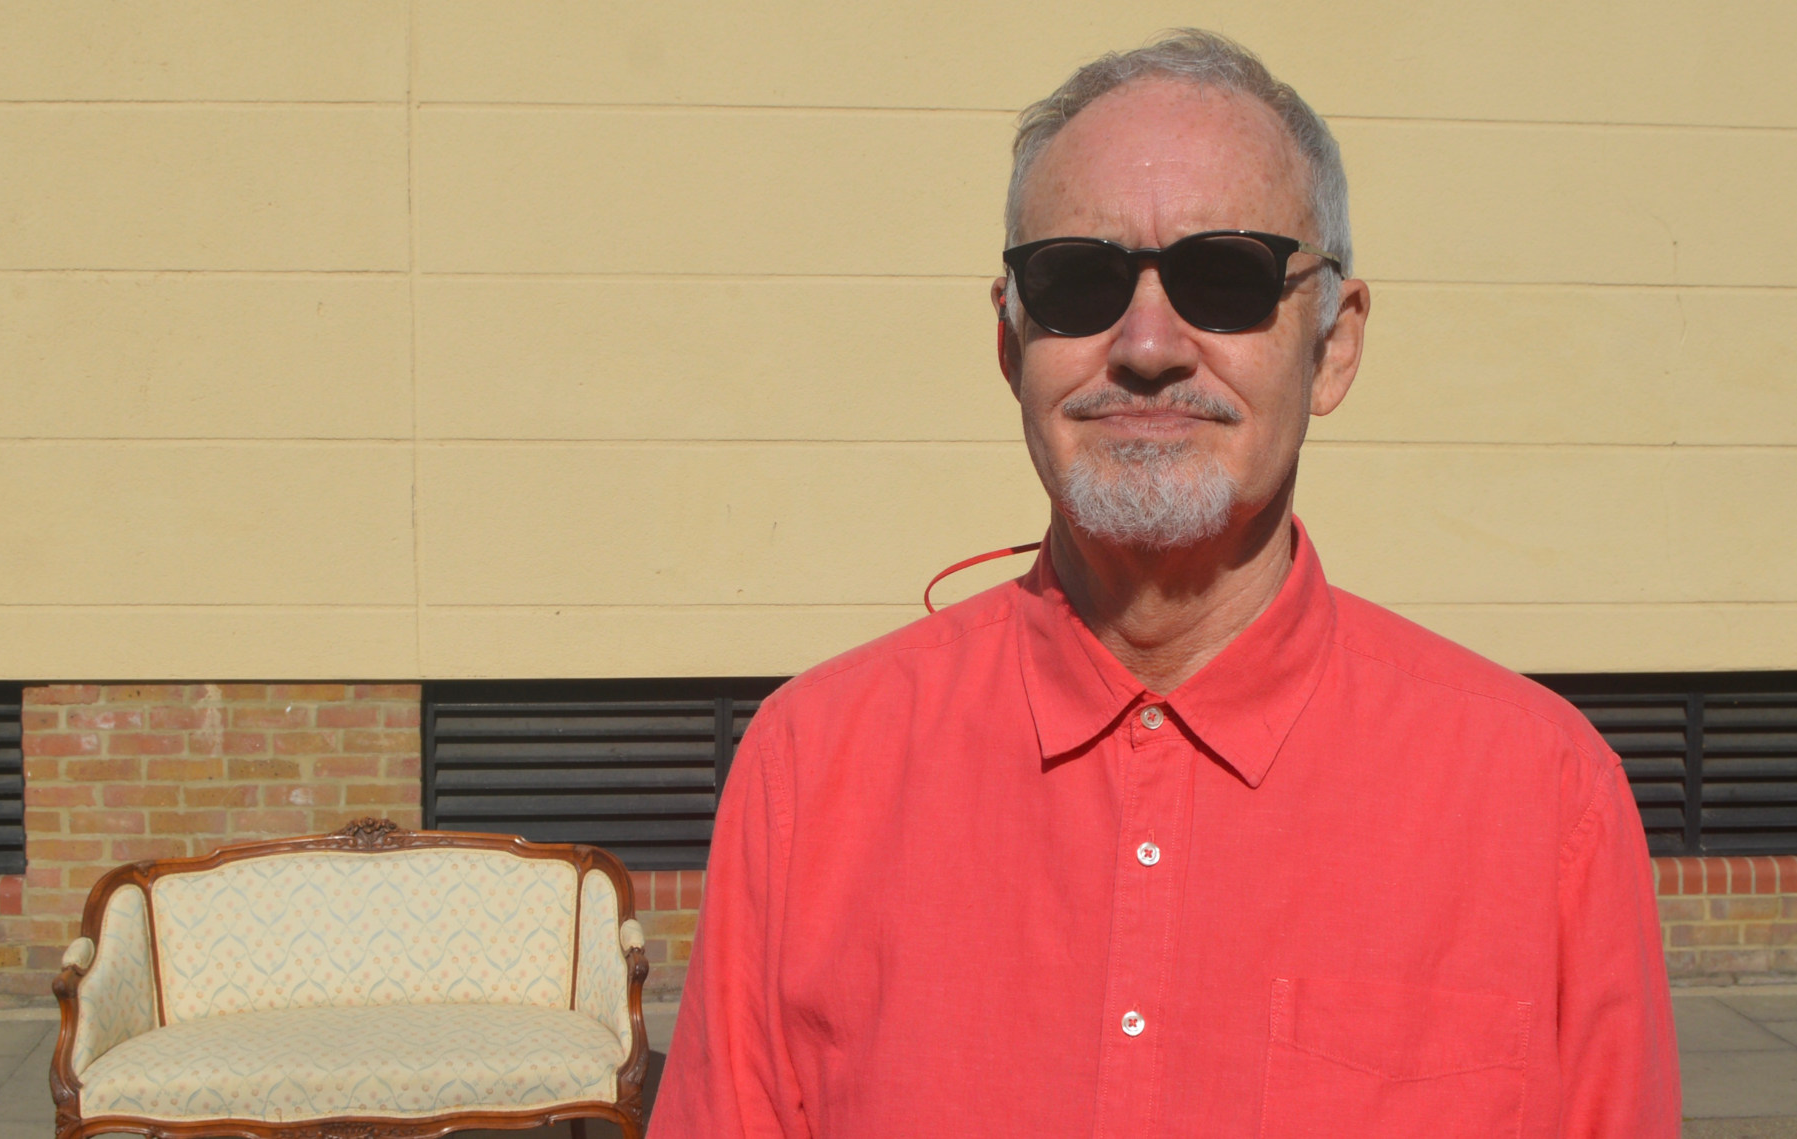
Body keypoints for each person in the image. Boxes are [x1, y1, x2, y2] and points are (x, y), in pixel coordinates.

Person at [649, 29, 1678, 1138]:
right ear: (1009, 345)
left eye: (1225, 277)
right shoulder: (812, 774)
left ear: (1332, 346)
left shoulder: (1542, 795)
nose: (1146, 343)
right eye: (1078, 280)